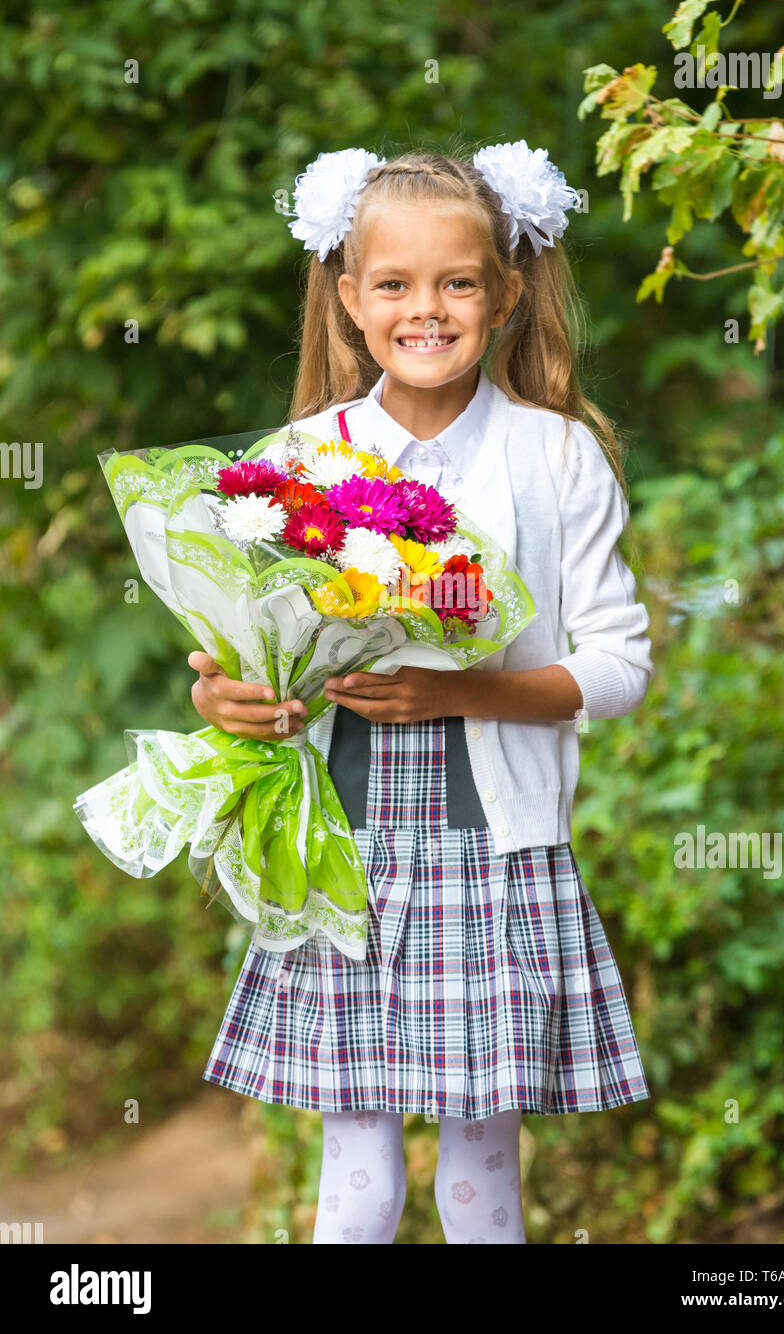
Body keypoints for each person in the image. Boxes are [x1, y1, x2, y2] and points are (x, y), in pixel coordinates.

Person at [189, 142, 654, 1244]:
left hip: (490, 858)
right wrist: (229, 699)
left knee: (481, 1176)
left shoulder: (557, 458)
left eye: (455, 281)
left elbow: (620, 668)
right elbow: (246, 656)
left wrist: (464, 695)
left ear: (503, 292)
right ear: (349, 298)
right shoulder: (300, 458)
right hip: (338, 849)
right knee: (355, 1178)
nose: (424, 309)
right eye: (392, 283)